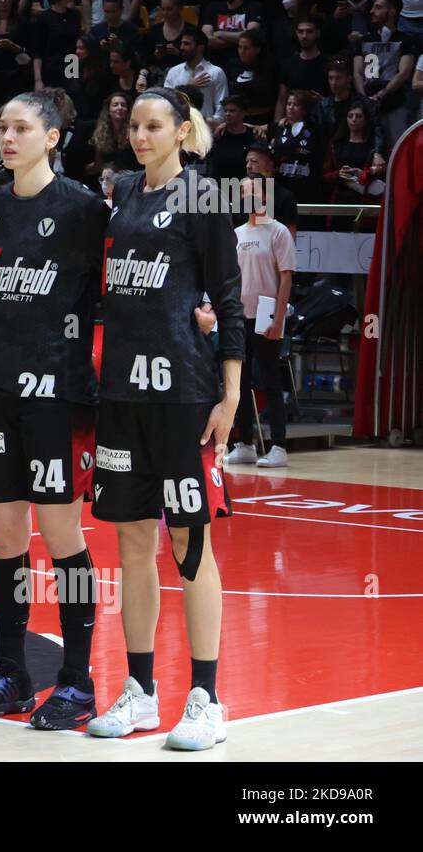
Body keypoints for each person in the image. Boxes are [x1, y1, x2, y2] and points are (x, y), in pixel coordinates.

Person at [87, 87, 243, 751]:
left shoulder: (203, 198)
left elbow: (231, 302)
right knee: (129, 546)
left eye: (155, 127)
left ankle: (206, 698)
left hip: (183, 395)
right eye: (136, 126)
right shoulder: (122, 194)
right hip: (122, 397)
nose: (142, 136)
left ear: (183, 132)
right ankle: (141, 691)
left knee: (190, 544)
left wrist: (230, 394)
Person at [0, 91, 109, 729]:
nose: (7, 138)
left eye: (21, 128)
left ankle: (77, 680)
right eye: (1, 127)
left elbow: (122, 287)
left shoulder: (83, 209)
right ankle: (12, 672)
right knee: (7, 539)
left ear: (52, 137)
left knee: (63, 537)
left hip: (59, 392)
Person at [225, 175, 297, 470]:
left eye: (249, 190)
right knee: (238, 383)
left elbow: (286, 277)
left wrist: (278, 319)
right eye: (242, 192)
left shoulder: (279, 232)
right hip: (240, 317)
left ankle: (278, 445)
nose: (245, 196)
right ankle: (245, 444)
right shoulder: (238, 232)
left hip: (266, 318)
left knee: (269, 380)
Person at [355, 0, 418, 149]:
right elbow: (357, 72)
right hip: (367, 104)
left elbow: (404, 73)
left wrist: (381, 95)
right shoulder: (363, 41)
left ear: (391, 11)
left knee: (398, 146)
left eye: (378, 7)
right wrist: (364, 98)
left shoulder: (406, 40)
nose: (372, 11)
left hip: (395, 103)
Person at [266, 90, 324, 205]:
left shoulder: (315, 129)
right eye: (288, 104)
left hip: (307, 186)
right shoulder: (279, 127)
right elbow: (256, 128)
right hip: (281, 184)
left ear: (304, 109)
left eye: (295, 104)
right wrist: (225, 124)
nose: (291, 107)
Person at [324, 103, 386, 205]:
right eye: (350, 116)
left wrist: (363, 173)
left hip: (366, 199)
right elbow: (325, 175)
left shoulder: (374, 148)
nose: (354, 119)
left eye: (359, 116)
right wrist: (338, 174)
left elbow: (382, 174)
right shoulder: (336, 145)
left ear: (366, 120)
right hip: (339, 199)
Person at [163, 27, 226, 125]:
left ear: (200, 47)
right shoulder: (174, 72)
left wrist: (211, 124)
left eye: (187, 44)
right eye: (182, 43)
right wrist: (189, 87)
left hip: (206, 129)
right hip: (178, 127)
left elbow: (221, 107)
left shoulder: (216, 72)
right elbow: (166, 102)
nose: (182, 47)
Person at [202, 0, 262, 65]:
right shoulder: (213, 8)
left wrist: (220, 34)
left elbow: (250, 37)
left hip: (243, 63)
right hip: (215, 64)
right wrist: (239, 39)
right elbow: (206, 40)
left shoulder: (253, 7)